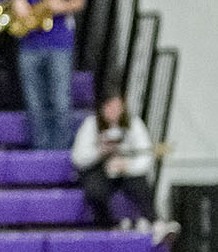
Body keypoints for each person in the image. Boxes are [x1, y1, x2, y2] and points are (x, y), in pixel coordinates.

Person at [9, 0, 86, 151]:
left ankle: (60, 150)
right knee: (34, 102)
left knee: (60, 99)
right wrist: (16, 2)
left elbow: (80, 0)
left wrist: (62, 7)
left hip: (58, 42)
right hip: (29, 42)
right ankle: (40, 150)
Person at [70, 92, 172, 239]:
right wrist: (100, 152)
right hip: (99, 170)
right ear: (102, 108)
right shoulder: (90, 124)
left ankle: (156, 222)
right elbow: (78, 158)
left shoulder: (134, 123)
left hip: (126, 169)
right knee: (94, 191)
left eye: (118, 107)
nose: (115, 112)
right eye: (110, 107)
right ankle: (108, 226)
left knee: (138, 183)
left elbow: (145, 155)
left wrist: (128, 166)